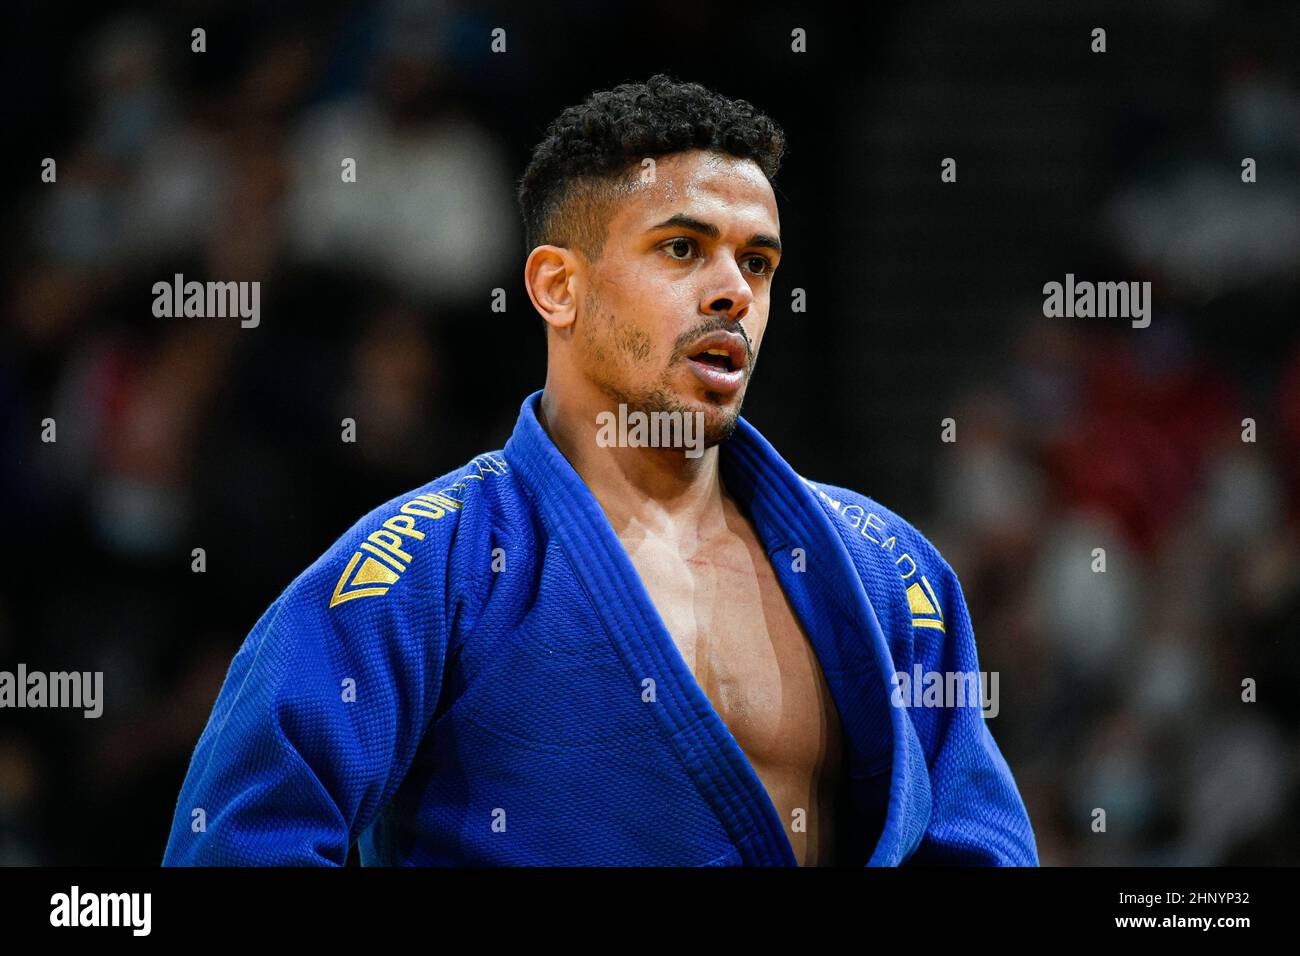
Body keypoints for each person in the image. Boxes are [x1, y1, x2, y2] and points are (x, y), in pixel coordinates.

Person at [162, 74, 1038, 867]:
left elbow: (981, 850)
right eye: (684, 249)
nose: (735, 290)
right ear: (557, 287)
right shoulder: (426, 566)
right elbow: (237, 846)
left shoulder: (889, 568)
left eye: (758, 261)